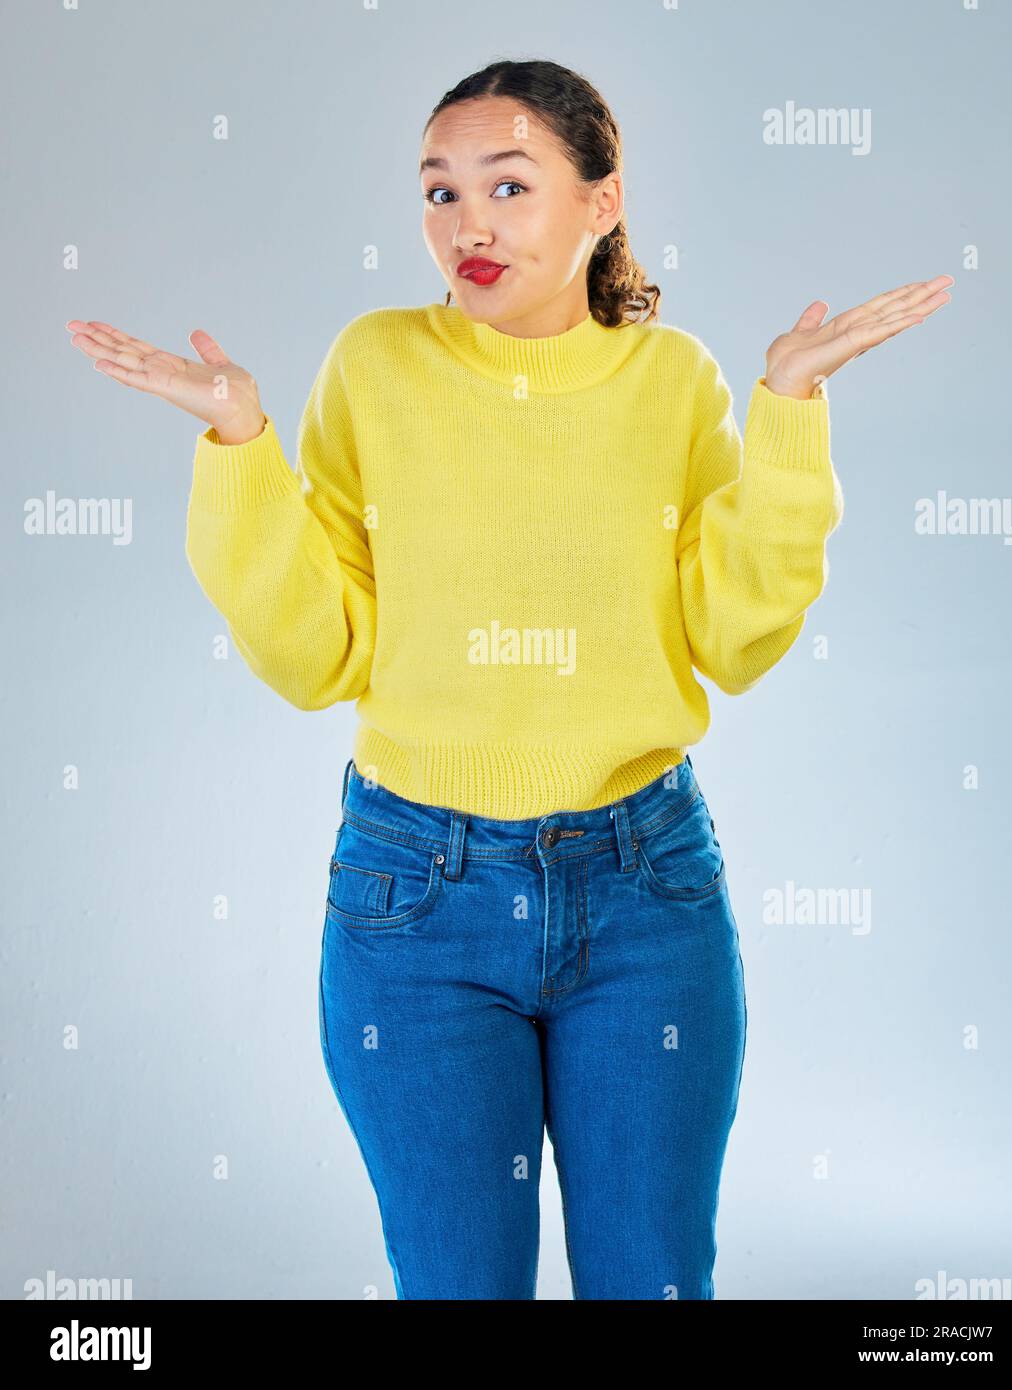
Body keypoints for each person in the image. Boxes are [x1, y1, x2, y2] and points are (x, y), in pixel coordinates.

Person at [66, 57, 952, 1300]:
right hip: (414, 907)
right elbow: (321, 650)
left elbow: (732, 636)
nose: (464, 223)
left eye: (506, 184)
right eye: (437, 192)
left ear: (600, 203)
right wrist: (240, 447)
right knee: (458, 1285)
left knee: (649, 1277)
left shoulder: (677, 384)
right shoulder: (374, 369)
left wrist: (788, 413)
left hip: (645, 893)